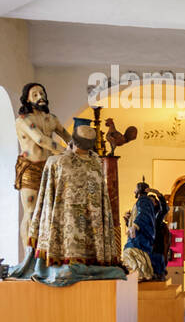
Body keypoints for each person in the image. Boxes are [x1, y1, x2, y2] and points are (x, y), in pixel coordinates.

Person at [9, 118, 125, 286]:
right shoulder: (96, 164)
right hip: (90, 231)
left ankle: (58, 264)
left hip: (64, 228)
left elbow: (46, 200)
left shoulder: (57, 162)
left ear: (73, 141)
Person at [13, 83, 70, 252]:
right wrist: (68, 152)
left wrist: (81, 147)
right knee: (31, 212)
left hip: (48, 168)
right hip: (30, 169)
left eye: (41, 93)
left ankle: (46, 253)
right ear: (27, 99)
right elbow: (41, 140)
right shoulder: (24, 120)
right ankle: (29, 256)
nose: (40, 97)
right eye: (35, 94)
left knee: (48, 212)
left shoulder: (51, 119)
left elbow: (68, 136)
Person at [122, 180, 169, 281]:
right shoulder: (147, 209)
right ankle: (145, 274)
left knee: (137, 254)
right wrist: (128, 220)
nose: (150, 203)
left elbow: (164, 209)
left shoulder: (156, 215)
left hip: (154, 242)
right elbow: (139, 219)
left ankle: (151, 274)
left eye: (152, 201)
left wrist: (158, 194)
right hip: (146, 240)